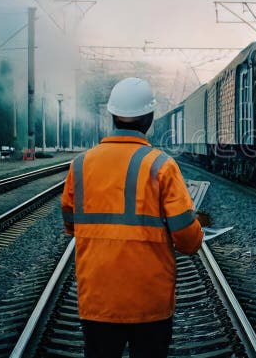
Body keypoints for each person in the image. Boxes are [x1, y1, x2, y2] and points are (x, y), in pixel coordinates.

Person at [61, 77, 205, 358]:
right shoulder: (162, 166)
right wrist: (197, 232)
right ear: (149, 119)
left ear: (113, 115)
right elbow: (187, 238)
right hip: (149, 302)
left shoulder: (80, 165)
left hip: (98, 299)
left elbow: (70, 223)